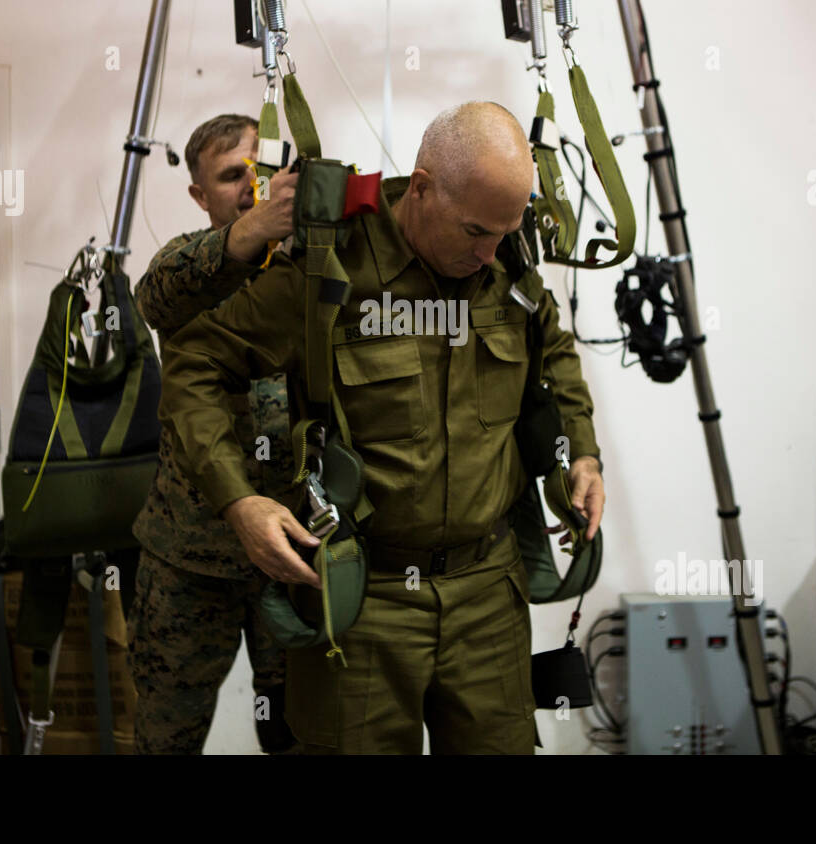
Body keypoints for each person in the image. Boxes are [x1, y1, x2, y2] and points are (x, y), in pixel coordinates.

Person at [161, 101, 606, 754]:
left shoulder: (504, 258)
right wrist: (238, 501)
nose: (489, 254)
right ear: (422, 189)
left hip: (488, 593)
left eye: (502, 233)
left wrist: (582, 455)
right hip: (364, 599)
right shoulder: (331, 267)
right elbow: (196, 362)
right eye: (475, 232)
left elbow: (552, 352)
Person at [126, 112, 301, 754]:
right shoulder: (188, 269)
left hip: (294, 548)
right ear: (200, 195)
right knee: (167, 737)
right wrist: (256, 227)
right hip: (191, 558)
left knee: (296, 733)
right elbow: (154, 297)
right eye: (232, 176)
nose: (250, 184)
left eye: (261, 167)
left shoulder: (311, 267)